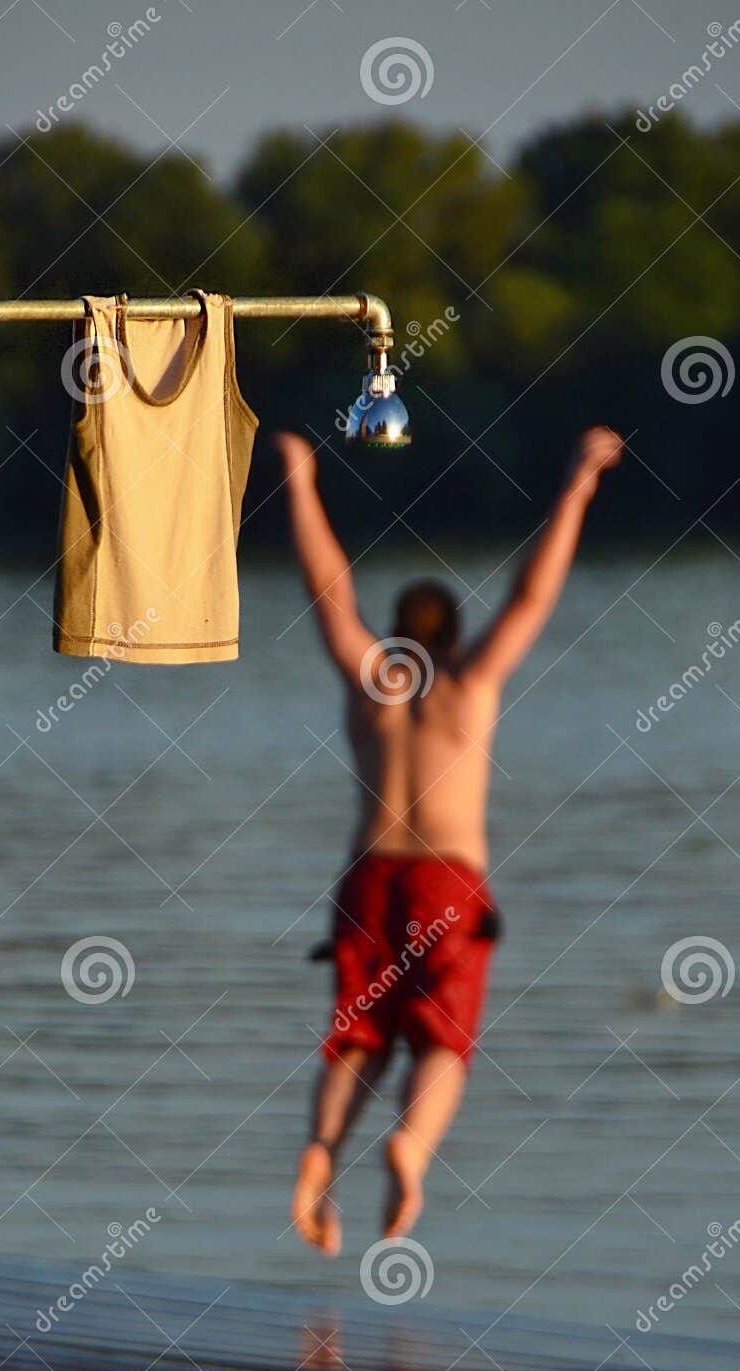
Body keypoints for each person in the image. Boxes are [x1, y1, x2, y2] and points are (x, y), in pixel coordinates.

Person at [275, 427, 623, 1254]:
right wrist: (576, 486)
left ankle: (321, 1156)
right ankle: (412, 1147)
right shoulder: (469, 682)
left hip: (369, 878)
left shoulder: (368, 680)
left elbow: (329, 587)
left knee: (360, 1031)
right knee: (443, 1038)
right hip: (447, 883)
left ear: (394, 634)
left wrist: (299, 479)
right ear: (455, 634)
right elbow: (533, 597)